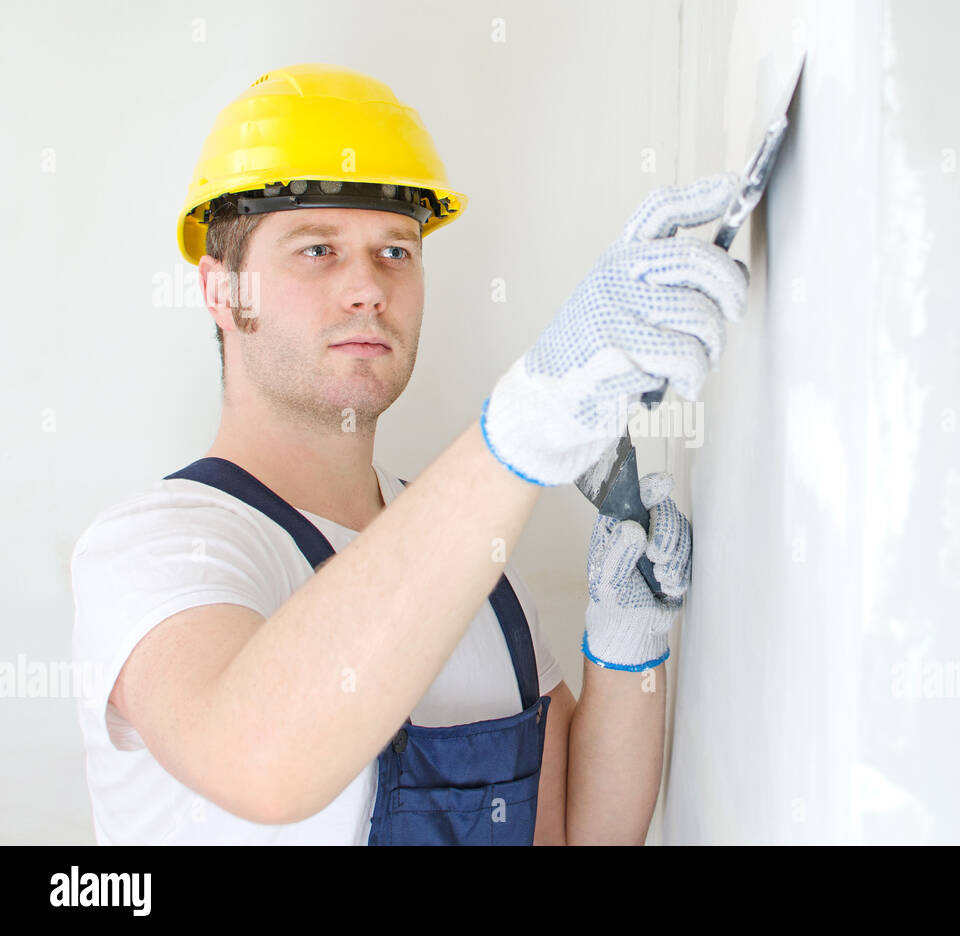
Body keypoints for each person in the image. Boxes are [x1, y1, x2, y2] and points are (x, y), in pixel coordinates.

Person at [69, 63, 748, 845]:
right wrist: (527, 423)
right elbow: (260, 762)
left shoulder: (475, 563)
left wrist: (629, 651)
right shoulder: (156, 547)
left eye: (396, 251)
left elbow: (577, 835)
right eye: (316, 249)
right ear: (222, 293)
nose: (367, 288)